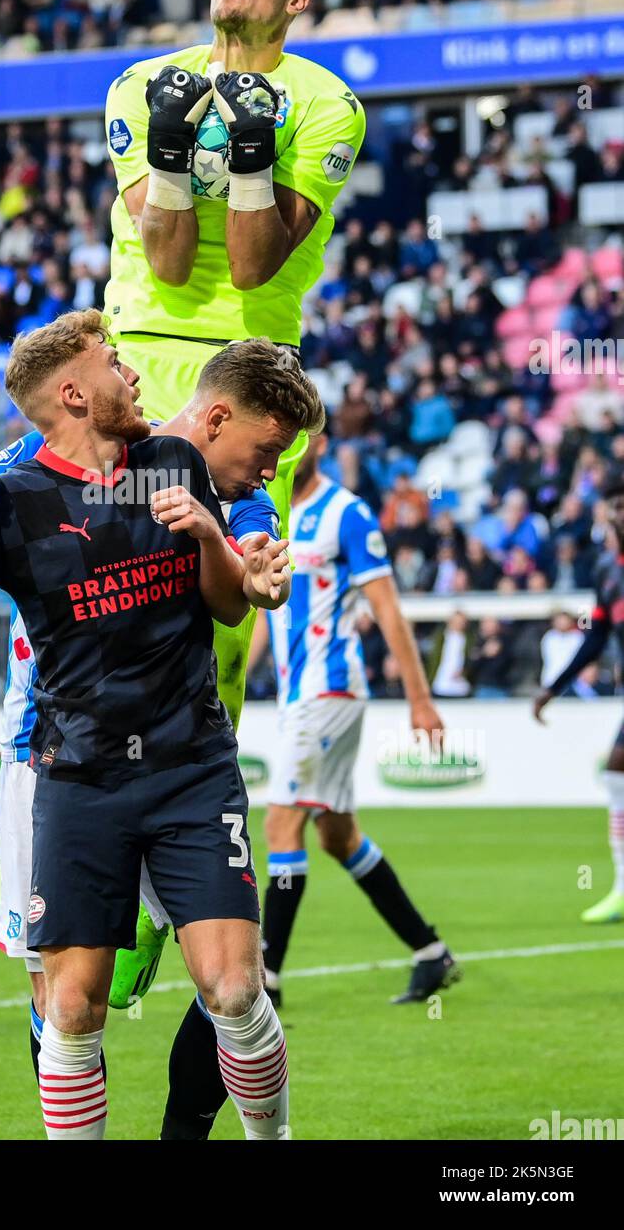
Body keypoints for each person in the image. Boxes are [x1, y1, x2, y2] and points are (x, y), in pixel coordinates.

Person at [0, 311, 293, 1141]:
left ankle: (271, 1137)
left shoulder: (173, 462)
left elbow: (225, 601)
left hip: (190, 767)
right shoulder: (8, 501)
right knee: (71, 1009)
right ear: (73, 392)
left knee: (235, 989)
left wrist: (221, 541)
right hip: (76, 778)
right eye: (114, 362)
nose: (133, 375)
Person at [103, 0, 365, 729]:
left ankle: (200, 794)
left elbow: (254, 265)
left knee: (224, 593)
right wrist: (175, 148)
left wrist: (253, 153)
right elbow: (170, 260)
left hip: (248, 370)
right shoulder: (142, 84)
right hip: (136, 360)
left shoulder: (328, 103)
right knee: (104, 567)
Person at [248, 433, 459, 1022]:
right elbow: (267, 610)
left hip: (332, 688)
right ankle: (430, 950)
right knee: (338, 837)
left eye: (299, 434)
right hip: (297, 695)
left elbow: (387, 608)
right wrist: (232, 681)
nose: (289, 446)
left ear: (318, 440)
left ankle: (267, 977)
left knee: (281, 823)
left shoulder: (348, 513)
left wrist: (419, 700)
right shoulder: (276, 511)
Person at [533, 477, 624, 923]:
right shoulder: (608, 571)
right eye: (616, 508)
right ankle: (622, 888)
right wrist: (554, 687)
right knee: (616, 772)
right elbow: (596, 640)